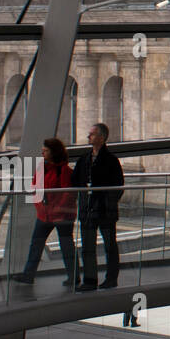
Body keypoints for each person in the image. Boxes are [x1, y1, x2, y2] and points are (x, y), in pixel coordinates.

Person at [11, 137, 76, 286]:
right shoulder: (45, 168)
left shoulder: (63, 171)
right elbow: (35, 187)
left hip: (58, 215)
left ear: (53, 152)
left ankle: (71, 276)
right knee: (39, 244)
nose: (43, 152)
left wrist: (49, 207)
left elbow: (68, 193)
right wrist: (41, 206)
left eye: (45, 150)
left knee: (62, 245)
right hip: (49, 214)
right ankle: (30, 275)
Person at [72, 123, 124, 290]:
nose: (89, 137)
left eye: (92, 134)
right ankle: (90, 280)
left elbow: (118, 186)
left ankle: (111, 279)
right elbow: (75, 181)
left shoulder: (111, 161)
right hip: (88, 210)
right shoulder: (84, 159)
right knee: (87, 247)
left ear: (102, 137)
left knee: (109, 245)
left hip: (104, 210)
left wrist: (107, 202)